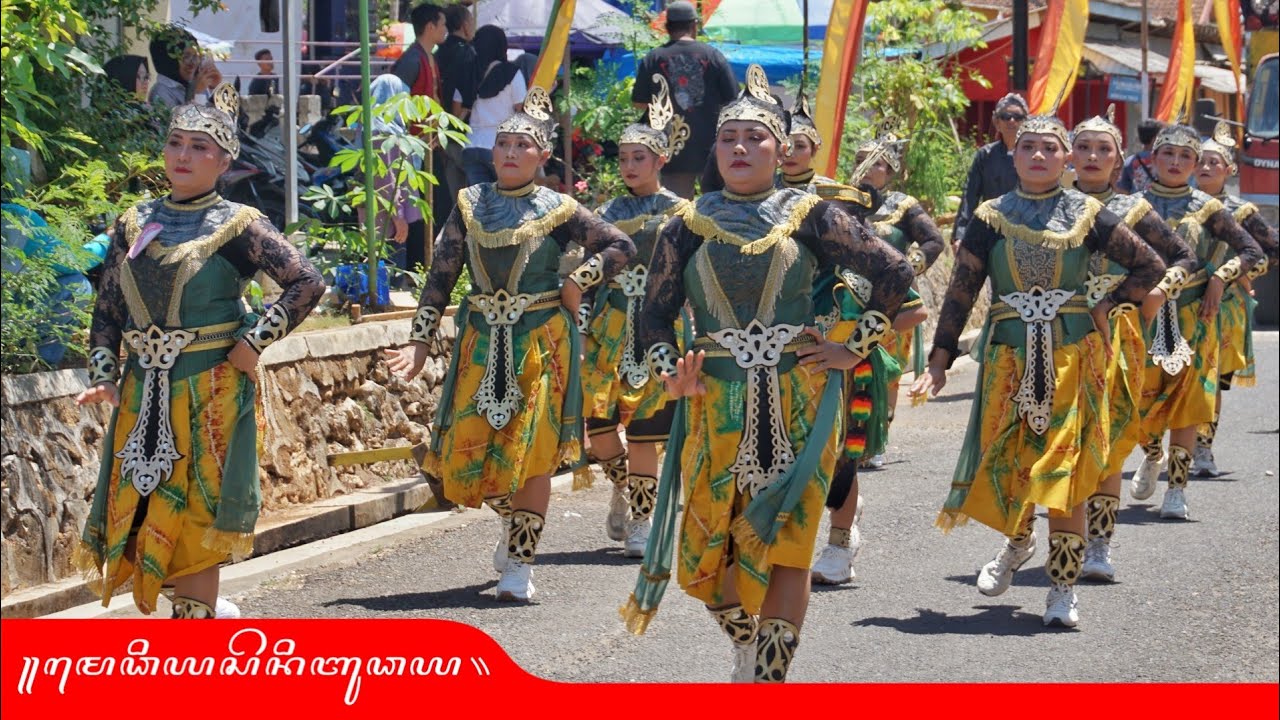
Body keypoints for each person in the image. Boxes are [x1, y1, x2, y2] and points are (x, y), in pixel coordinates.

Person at [621, 65, 913, 682]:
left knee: (788, 543)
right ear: (715, 151)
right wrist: (669, 372)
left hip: (800, 399)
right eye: (729, 140)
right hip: (714, 403)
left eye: (755, 138)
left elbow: (895, 276)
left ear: (781, 150)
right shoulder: (688, 223)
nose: (740, 149)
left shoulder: (811, 214)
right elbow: (652, 316)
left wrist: (853, 348)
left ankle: (768, 681)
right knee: (703, 554)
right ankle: (748, 640)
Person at [73, 84, 326, 619]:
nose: (183, 156)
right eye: (176, 143)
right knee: (140, 511)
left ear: (225, 160)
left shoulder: (239, 224)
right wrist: (103, 371)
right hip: (143, 393)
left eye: (200, 147)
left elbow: (306, 282)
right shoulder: (133, 221)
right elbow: (109, 307)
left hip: (211, 388)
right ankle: (200, 609)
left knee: (196, 512)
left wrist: (254, 341)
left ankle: (194, 638)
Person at [911, 111, 1167, 627]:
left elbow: (1151, 267)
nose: (1038, 156)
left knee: (1064, 474)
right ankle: (1020, 540)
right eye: (1028, 146)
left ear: (1065, 158)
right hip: (1007, 358)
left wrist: (1108, 302)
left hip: (1074, 357)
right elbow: (964, 288)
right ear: (1013, 155)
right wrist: (939, 359)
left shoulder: (1087, 213)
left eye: (1050, 148)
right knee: (1009, 464)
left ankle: (1062, 589)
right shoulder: (990, 215)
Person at [386, 86, 635, 602]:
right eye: (504, 144)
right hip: (480, 343)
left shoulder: (558, 208)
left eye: (523, 146)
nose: (511, 154)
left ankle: (521, 562)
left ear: (542, 157)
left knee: (533, 456)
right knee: (468, 451)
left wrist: (578, 281)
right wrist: (418, 342)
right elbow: (442, 274)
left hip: (542, 343)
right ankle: (511, 523)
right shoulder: (469, 203)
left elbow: (621, 246)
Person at [1068, 106, 1196, 581]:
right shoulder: (1043, 208)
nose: (1093, 156)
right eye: (1083, 147)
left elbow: (1183, 258)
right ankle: (1027, 538)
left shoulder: (1133, 210)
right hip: (1054, 339)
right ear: (1068, 156)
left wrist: (1156, 290)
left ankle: (1098, 545)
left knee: (1107, 440)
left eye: (1104, 149)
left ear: (1118, 161)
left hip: (1116, 339)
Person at [1130, 123, 1265, 519]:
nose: (1176, 162)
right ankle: (1153, 454)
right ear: (1153, 159)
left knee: (1187, 404)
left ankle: (1177, 488)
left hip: (1194, 315)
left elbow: (1253, 250)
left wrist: (1221, 280)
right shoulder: (1134, 205)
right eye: (1168, 154)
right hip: (1145, 316)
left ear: (1194, 164)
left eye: (1185, 156)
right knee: (1138, 398)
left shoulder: (1207, 208)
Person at [577, 75, 688, 558]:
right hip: (609, 326)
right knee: (599, 429)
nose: (628, 166)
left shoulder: (685, 212)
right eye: (622, 159)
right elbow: (583, 274)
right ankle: (626, 487)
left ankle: (643, 520)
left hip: (658, 329)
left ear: (661, 160)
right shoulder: (604, 213)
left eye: (638, 158)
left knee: (644, 430)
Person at [1185, 122, 1278, 476]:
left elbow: (1271, 252)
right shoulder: (1179, 205)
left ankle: (1202, 448)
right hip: (1180, 304)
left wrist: (1241, 273)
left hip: (1223, 309)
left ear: (1229, 170)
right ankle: (1163, 447)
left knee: (1212, 379)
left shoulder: (1241, 212)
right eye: (1201, 161)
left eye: (1214, 162)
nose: (1205, 168)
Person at [631, 0, 738, 199]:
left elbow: (639, 102)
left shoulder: (653, 58)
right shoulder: (713, 56)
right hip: (712, 151)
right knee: (719, 209)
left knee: (674, 215)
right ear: (694, 25)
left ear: (666, 28)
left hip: (672, 151)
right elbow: (733, 100)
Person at [360, 75, 424, 277]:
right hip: (387, 218)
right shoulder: (384, 133)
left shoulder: (372, 127)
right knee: (390, 274)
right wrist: (398, 217)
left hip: (378, 215)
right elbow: (387, 180)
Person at [952, 93, 1026, 248]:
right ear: (997, 122)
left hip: (1027, 232)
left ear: (1026, 122)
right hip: (991, 230)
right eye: (1006, 116)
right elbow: (970, 196)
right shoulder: (985, 155)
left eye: (1018, 117)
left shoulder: (1035, 156)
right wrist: (960, 234)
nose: (1012, 121)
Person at [461, 26, 526, 187]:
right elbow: (523, 110)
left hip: (471, 145)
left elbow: (458, 107)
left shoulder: (468, 71)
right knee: (504, 202)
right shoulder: (512, 73)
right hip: (500, 147)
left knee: (480, 206)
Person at [436, 4, 478, 203]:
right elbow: (464, 95)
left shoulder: (438, 52)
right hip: (461, 131)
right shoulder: (467, 52)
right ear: (464, 25)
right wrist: (456, 123)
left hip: (439, 131)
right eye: (471, 22)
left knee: (454, 197)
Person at [148, 25, 221, 111]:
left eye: (195, 56)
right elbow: (182, 122)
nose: (193, 63)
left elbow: (216, 118)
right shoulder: (161, 92)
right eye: (186, 57)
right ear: (169, 60)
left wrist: (217, 89)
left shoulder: (194, 83)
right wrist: (196, 94)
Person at [1117, 118, 1165, 195]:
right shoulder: (1165, 159)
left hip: (1137, 204)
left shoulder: (1129, 161)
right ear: (1155, 138)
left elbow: (1124, 190)